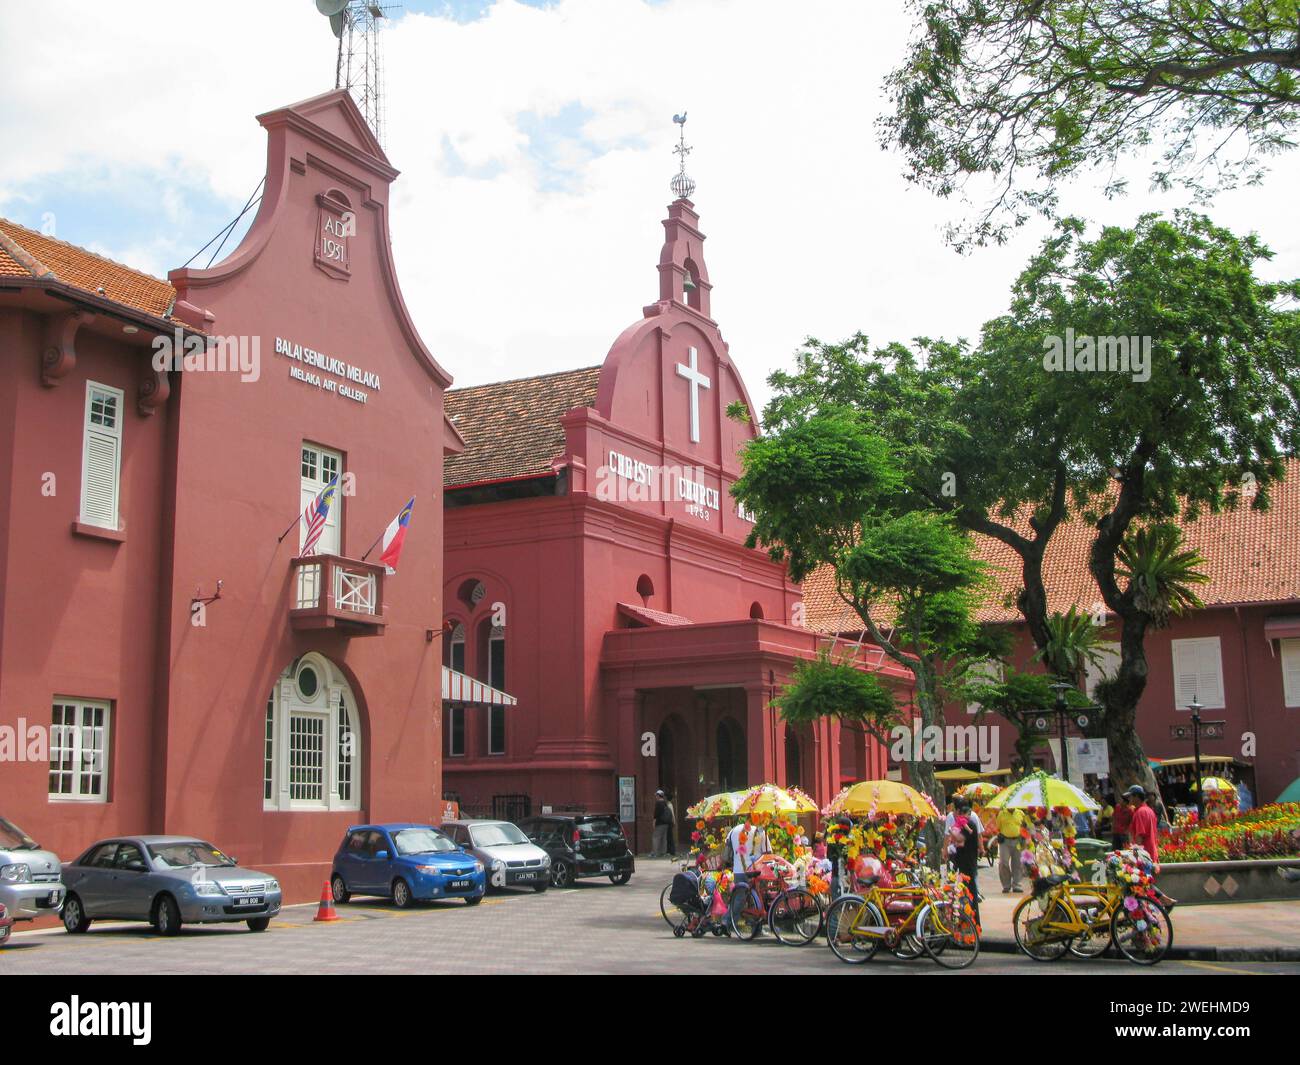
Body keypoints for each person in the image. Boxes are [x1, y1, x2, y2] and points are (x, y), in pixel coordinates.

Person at [950, 796, 982, 922]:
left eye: (954, 810)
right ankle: (969, 920)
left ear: (958, 811)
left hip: (967, 863)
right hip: (964, 863)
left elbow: (959, 840)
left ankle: (973, 921)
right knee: (965, 892)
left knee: (970, 893)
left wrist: (951, 833)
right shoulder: (966, 824)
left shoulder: (969, 824)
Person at [994, 805, 1028, 893]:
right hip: (1005, 841)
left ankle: (1017, 884)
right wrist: (999, 834)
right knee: (1003, 863)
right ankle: (1006, 885)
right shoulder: (1002, 813)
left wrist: (1024, 838)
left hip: (1017, 841)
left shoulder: (1020, 813)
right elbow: (998, 827)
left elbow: (1024, 827)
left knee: (1017, 863)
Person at [652, 789, 670, 857]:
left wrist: (654, 822)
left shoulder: (658, 803)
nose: (655, 796)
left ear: (659, 796)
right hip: (666, 823)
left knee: (656, 837)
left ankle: (656, 853)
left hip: (660, 823)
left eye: (656, 795)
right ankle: (663, 852)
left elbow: (656, 814)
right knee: (664, 838)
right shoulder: (665, 803)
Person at [665, 790, 678, 859]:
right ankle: (670, 851)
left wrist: (674, 821)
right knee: (669, 837)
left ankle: (671, 851)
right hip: (670, 822)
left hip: (669, 822)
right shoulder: (668, 804)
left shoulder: (669, 804)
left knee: (669, 837)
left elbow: (672, 814)